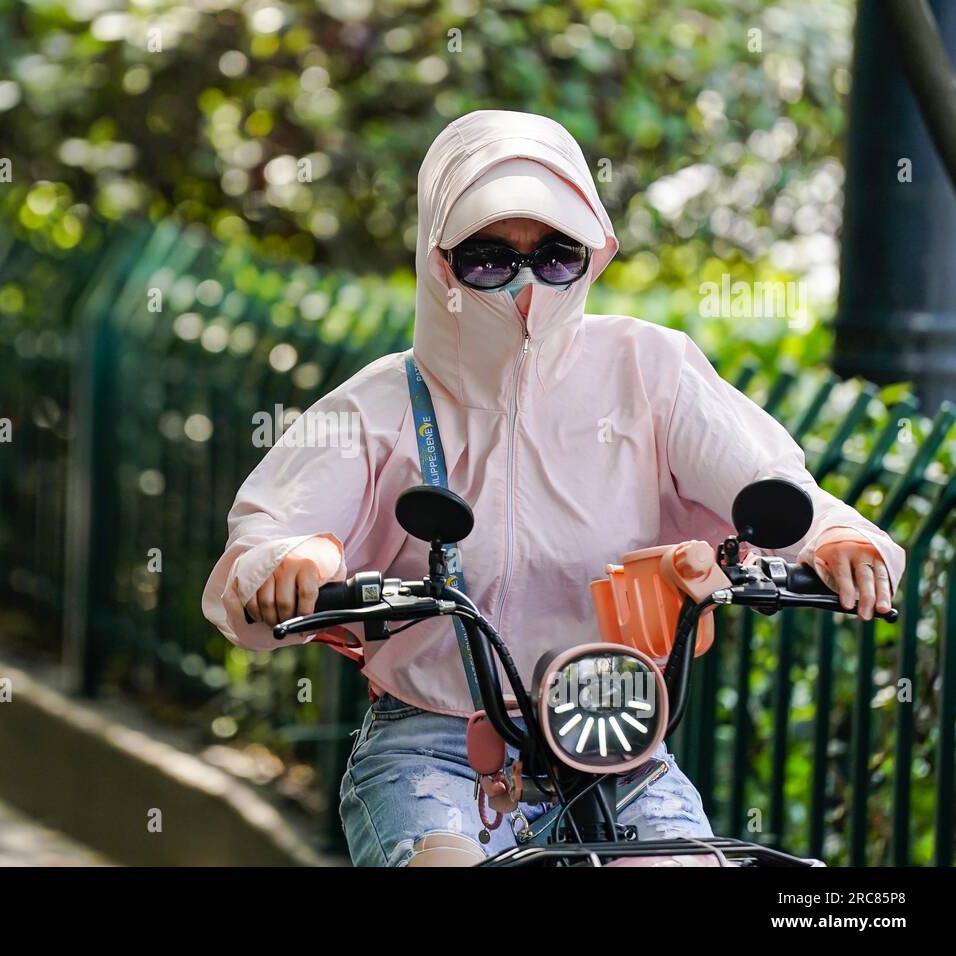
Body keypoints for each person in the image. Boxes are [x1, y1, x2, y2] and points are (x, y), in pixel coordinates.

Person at [201, 110, 905, 867]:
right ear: (438, 261)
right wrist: (289, 560)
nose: (528, 282)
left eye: (557, 256)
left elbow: (772, 485)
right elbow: (269, 536)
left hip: (614, 740)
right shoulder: (378, 402)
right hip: (434, 747)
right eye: (489, 258)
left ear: (591, 255)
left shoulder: (650, 368)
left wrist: (839, 540)